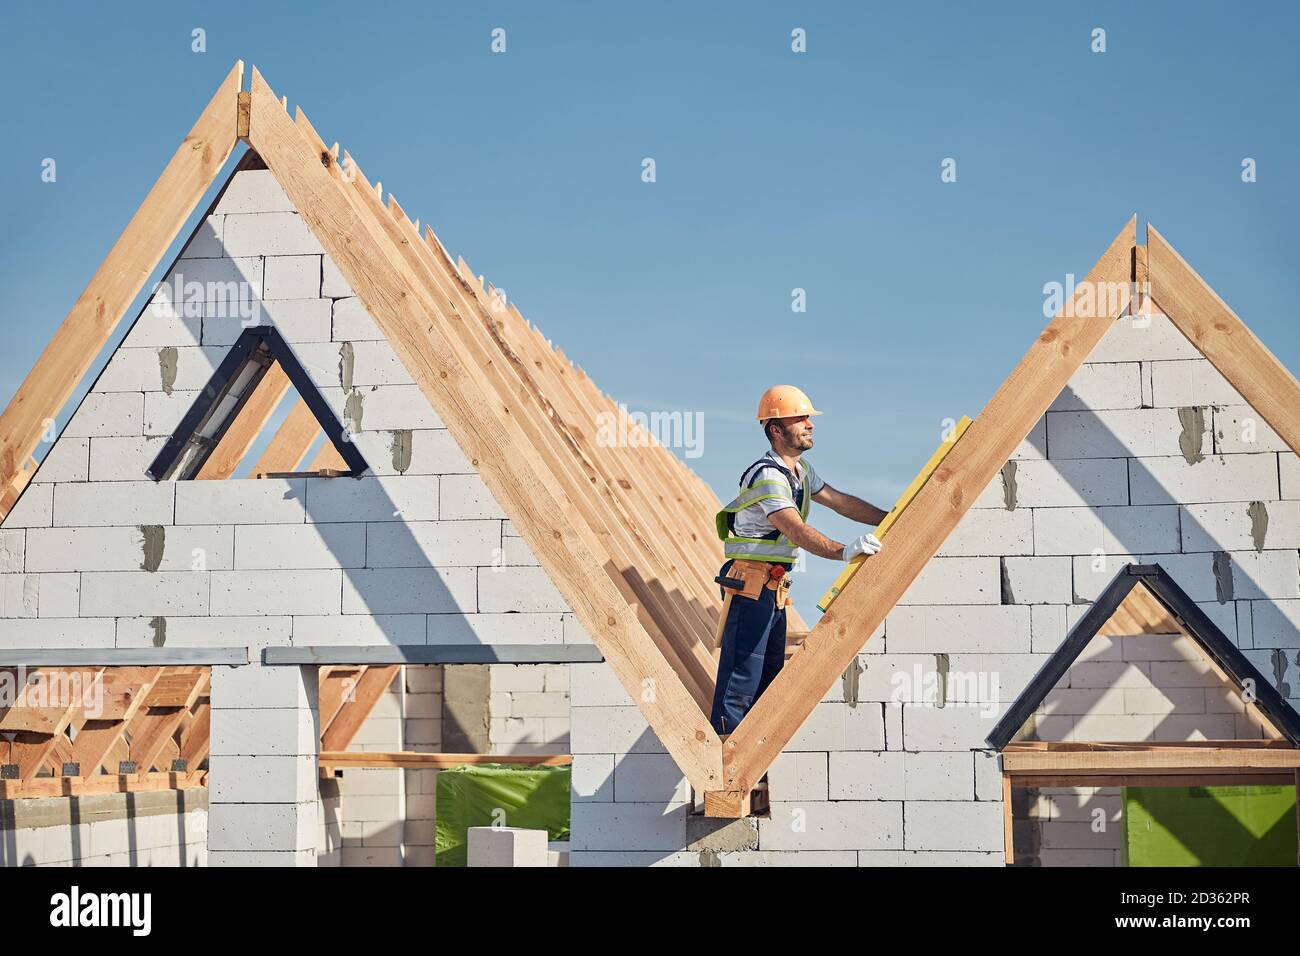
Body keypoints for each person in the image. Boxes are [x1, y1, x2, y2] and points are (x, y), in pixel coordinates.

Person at [711, 385, 888, 736]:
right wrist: (843, 551)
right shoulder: (767, 475)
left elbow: (841, 502)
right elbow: (794, 528)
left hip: (772, 587)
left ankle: (754, 755)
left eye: (809, 418)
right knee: (742, 677)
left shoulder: (800, 471)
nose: (810, 424)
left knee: (769, 677)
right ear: (776, 429)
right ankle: (724, 761)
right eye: (801, 419)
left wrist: (891, 519)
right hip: (749, 585)